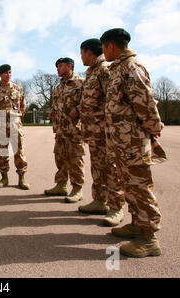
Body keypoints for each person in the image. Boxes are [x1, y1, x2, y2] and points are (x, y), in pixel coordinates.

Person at [101, 28, 164, 257]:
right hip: (122, 141)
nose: (103, 52)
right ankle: (138, 225)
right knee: (130, 186)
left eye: (104, 48)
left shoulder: (131, 68)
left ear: (110, 46)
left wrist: (153, 129)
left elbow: (146, 103)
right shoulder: (118, 68)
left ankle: (149, 239)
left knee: (140, 187)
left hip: (133, 142)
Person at [77, 39, 126, 226]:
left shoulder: (105, 70)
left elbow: (112, 100)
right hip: (93, 131)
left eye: (82, 53)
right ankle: (99, 201)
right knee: (98, 167)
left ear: (89, 52)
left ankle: (116, 207)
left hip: (105, 131)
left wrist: (107, 125)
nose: (81, 57)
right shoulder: (92, 72)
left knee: (111, 169)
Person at [45, 58, 85, 203]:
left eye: (60, 66)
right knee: (60, 158)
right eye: (57, 67)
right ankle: (61, 185)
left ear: (69, 66)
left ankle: (77, 189)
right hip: (61, 130)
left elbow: (89, 101)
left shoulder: (81, 83)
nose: (58, 69)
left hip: (75, 130)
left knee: (75, 159)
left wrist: (79, 110)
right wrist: (53, 112)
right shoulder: (59, 86)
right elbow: (57, 105)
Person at [0, 64, 29, 190]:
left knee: (19, 152)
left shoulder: (17, 89)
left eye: (10, 72)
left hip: (15, 125)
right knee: (3, 153)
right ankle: (4, 178)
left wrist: (17, 117)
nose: (8, 75)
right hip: (1, 126)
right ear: (0, 75)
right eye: (5, 73)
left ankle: (21, 179)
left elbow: (23, 105)